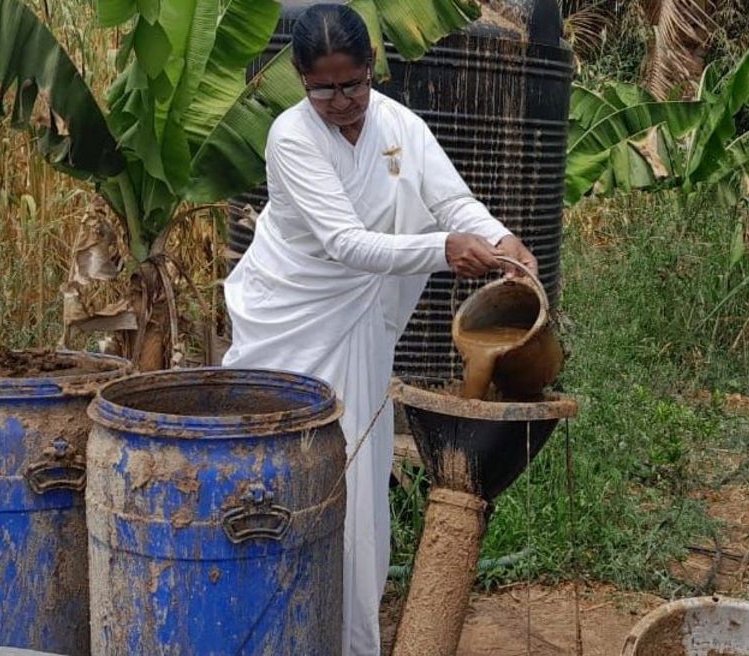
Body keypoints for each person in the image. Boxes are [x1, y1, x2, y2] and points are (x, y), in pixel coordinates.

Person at [222, 4, 538, 654]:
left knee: (355, 479)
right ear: (303, 82)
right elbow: (344, 242)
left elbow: (450, 200)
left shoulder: (400, 126)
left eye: (353, 84)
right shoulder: (291, 136)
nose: (341, 101)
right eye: (324, 88)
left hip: (357, 326)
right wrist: (444, 250)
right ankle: (261, 630)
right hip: (289, 321)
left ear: (371, 70)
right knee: (276, 476)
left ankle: (345, 637)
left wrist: (500, 236)